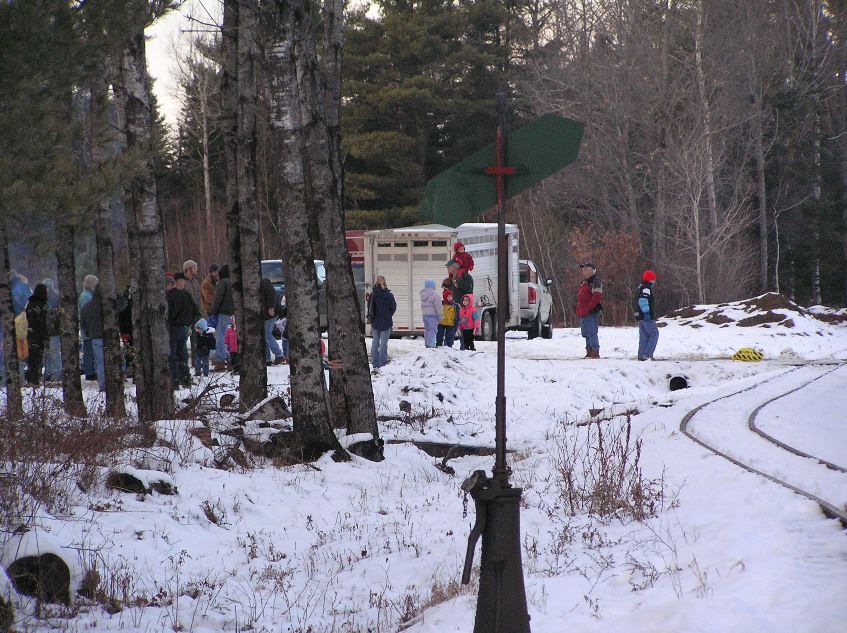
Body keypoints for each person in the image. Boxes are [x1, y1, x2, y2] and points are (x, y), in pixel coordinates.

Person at [167, 272, 200, 388]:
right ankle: (185, 378)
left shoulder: (168, 296)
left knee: (173, 355)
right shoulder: (186, 295)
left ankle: (175, 380)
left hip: (172, 328)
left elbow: (168, 313)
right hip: (184, 328)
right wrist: (189, 323)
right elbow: (196, 312)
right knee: (183, 354)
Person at [79, 283, 106, 392]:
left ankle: (103, 385)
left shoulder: (87, 306)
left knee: (100, 363)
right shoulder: (107, 305)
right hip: (108, 336)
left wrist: (88, 332)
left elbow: (83, 322)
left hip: (95, 337)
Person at [575, 262, 603, 359]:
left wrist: (589, 308)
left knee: (592, 332)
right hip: (583, 311)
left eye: (586, 268)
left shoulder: (595, 282)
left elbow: (597, 296)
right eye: (583, 269)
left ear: (591, 270)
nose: (583, 270)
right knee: (586, 333)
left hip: (590, 312)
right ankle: (589, 350)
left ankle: (595, 350)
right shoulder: (584, 282)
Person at [367, 275, 396, 369]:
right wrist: (388, 315)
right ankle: (382, 362)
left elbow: (369, 307)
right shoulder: (389, 295)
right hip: (386, 322)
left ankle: (375, 363)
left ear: (376, 282)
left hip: (375, 322)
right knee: (384, 343)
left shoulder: (373, 294)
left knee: (375, 342)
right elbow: (393, 307)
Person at [24, 284, 50, 386]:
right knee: (38, 358)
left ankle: (31, 378)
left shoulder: (30, 304)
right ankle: (35, 380)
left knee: (31, 358)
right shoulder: (42, 305)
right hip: (39, 335)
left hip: (30, 333)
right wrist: (46, 336)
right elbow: (43, 323)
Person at [209, 264, 234, 369]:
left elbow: (217, 298)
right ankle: (229, 357)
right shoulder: (232, 283)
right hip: (230, 313)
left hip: (222, 312)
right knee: (227, 337)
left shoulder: (222, 283)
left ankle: (220, 360)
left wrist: (213, 311)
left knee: (220, 337)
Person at [633, 270, 659, 361]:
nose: (655, 281)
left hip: (640, 315)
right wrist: (647, 311)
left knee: (644, 336)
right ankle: (647, 355)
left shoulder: (640, 286)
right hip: (646, 315)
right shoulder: (646, 288)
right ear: (650, 279)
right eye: (654, 279)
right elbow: (642, 300)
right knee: (654, 334)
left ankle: (641, 356)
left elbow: (636, 300)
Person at [79, 274, 99, 380]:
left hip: (89, 328)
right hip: (88, 328)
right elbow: (86, 313)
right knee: (89, 351)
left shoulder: (86, 295)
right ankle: (89, 371)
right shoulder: (86, 296)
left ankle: (90, 370)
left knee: (89, 350)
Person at [260, 277, 285, 365]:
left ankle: (279, 354)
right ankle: (267, 359)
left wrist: (271, 307)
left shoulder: (264, 282)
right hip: (265, 314)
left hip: (270, 313)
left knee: (267, 334)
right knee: (264, 335)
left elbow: (272, 293)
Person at [42, 279, 62, 382]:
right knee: (48, 353)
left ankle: (57, 373)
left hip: (53, 330)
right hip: (47, 330)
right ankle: (49, 372)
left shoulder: (55, 299)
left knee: (53, 352)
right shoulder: (43, 299)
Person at [419, 279, 442, 348]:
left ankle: (427, 344)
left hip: (425, 316)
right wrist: (440, 316)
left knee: (427, 330)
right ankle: (431, 345)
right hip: (432, 316)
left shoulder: (423, 296)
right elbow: (438, 307)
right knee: (432, 330)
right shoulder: (435, 296)